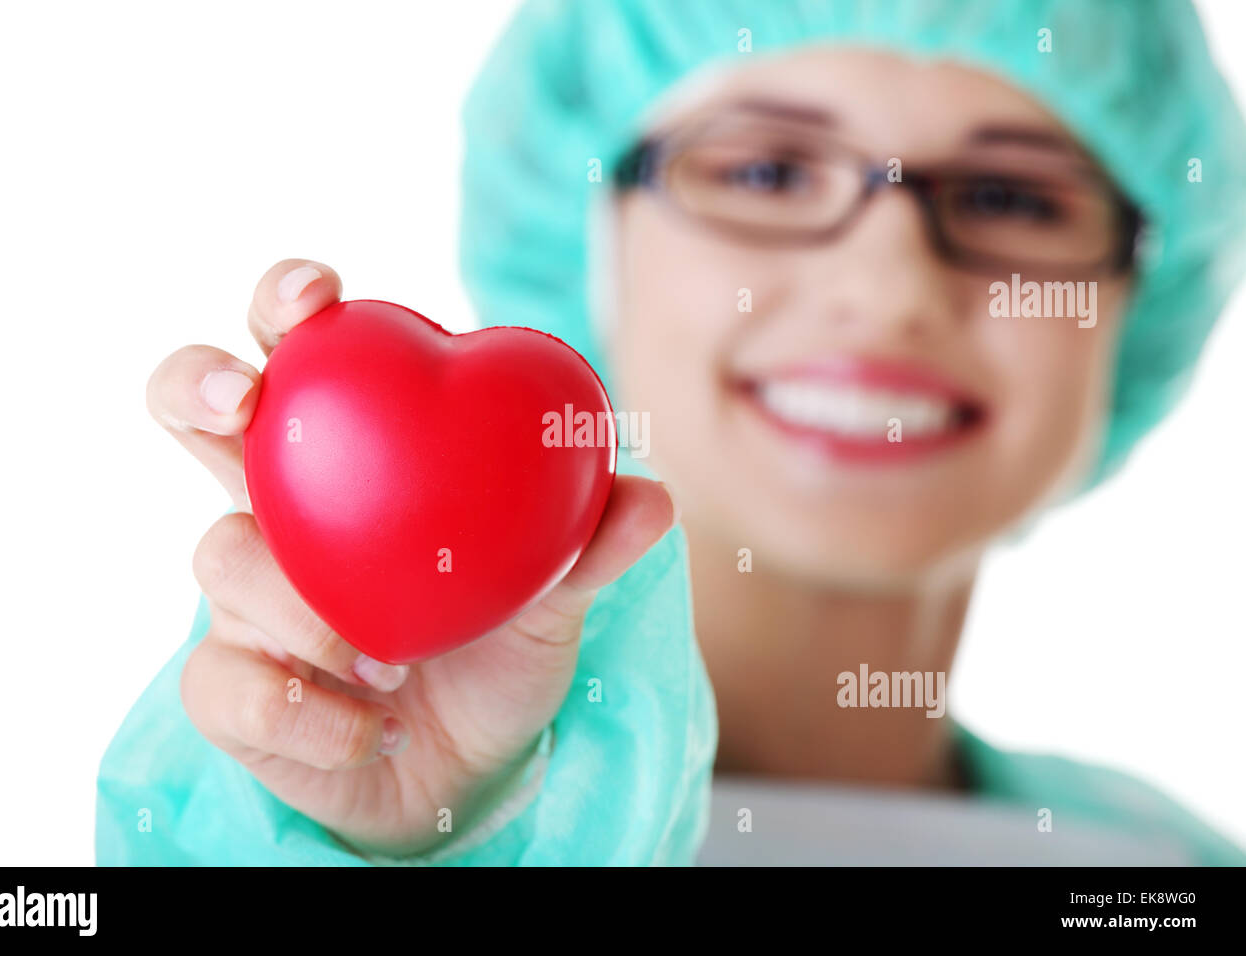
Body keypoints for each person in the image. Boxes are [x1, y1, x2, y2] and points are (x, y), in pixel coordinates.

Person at [98, 0, 1246, 865]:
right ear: (587, 241)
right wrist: (414, 832)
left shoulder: (1159, 864)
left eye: (1011, 198)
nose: (887, 284)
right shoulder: (419, 820)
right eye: (764, 168)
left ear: (1139, 295)